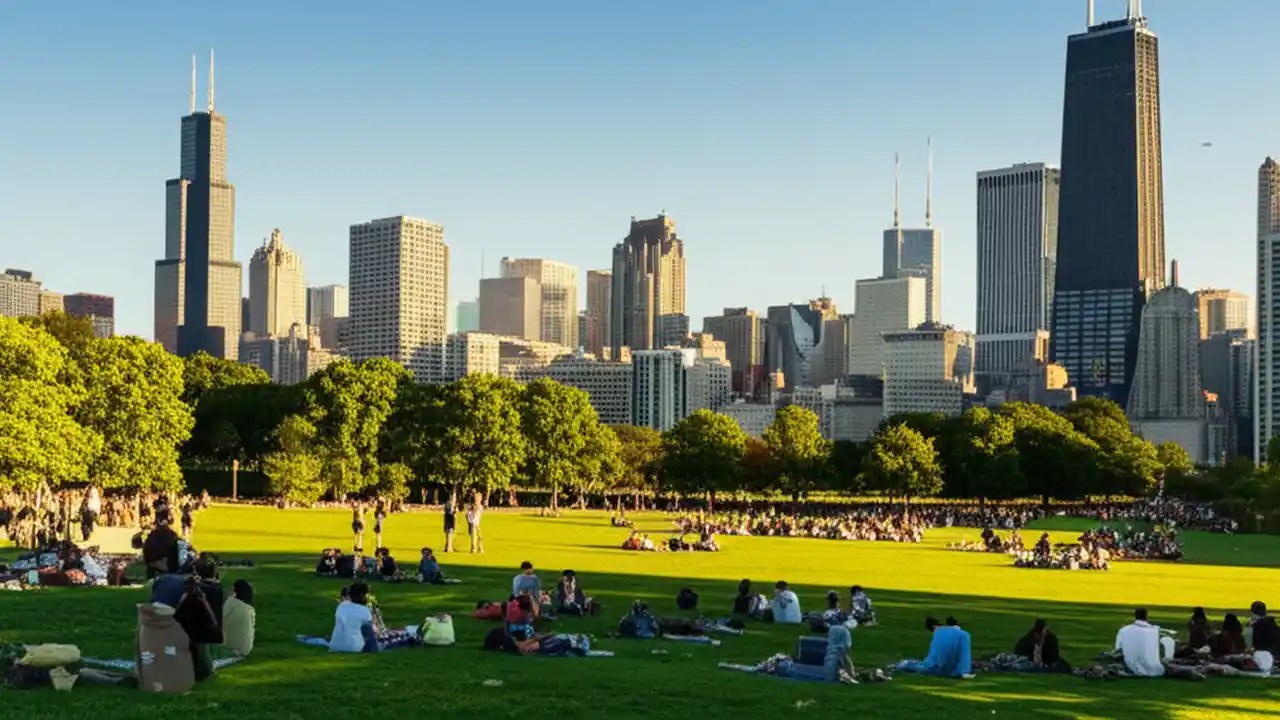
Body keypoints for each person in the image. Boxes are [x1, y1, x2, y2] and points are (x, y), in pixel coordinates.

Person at [897, 617, 973, 678]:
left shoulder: (939, 632)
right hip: (958, 671)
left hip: (937, 668)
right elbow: (964, 660)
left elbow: (933, 659)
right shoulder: (965, 635)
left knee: (912, 664)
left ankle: (901, 664)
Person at [1115, 608, 1174, 677]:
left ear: (1135, 616)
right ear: (1146, 616)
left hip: (1130, 667)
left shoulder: (1123, 630)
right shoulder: (1154, 630)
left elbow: (1118, 649)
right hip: (1155, 669)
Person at [329, 581, 377, 653]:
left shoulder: (341, 606)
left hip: (335, 646)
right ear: (361, 594)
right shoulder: (364, 610)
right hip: (354, 647)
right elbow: (370, 635)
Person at [222, 579, 256, 657]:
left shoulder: (230, 603)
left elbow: (220, 620)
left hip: (228, 646)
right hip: (246, 648)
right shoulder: (250, 609)